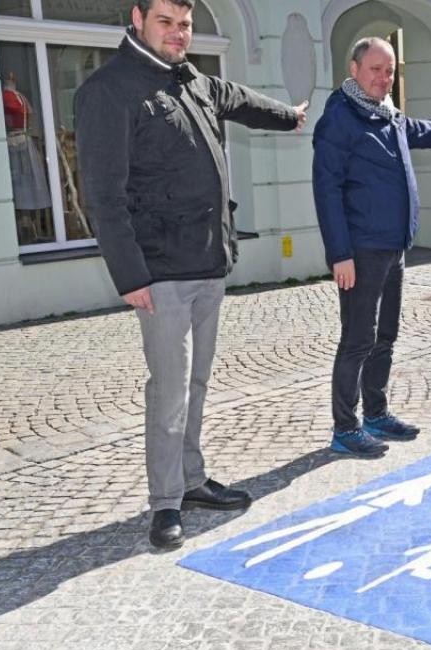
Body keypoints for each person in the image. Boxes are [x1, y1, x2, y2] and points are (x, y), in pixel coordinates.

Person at [75, 0, 308, 549]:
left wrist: (289, 115)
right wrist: (130, 274)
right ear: (137, 19)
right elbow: (104, 197)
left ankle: (192, 479)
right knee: (170, 388)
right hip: (160, 272)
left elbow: (240, 100)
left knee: (196, 382)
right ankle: (165, 502)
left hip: (207, 262)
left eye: (185, 24)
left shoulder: (192, 81)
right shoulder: (108, 90)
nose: (179, 33)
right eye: (166, 22)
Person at [312, 37, 431, 457]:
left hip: (393, 246)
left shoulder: (390, 116)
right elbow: (326, 191)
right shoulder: (340, 119)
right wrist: (339, 254)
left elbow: (421, 131)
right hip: (361, 250)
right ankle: (345, 429)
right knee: (357, 339)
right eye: (375, 70)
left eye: (390, 71)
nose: (384, 79)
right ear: (354, 70)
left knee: (386, 335)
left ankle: (376, 414)